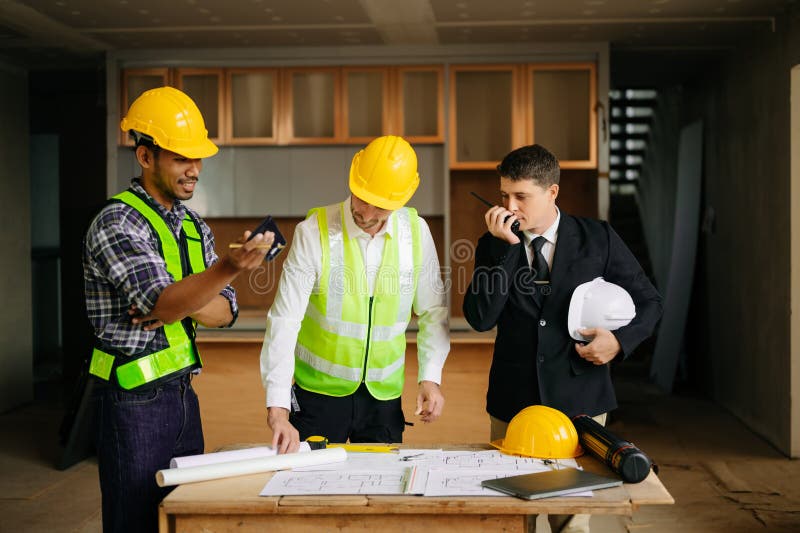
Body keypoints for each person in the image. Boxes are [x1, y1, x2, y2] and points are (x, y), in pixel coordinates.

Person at [83, 86, 272, 533]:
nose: (194, 170)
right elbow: (164, 303)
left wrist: (181, 302)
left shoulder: (193, 226)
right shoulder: (118, 222)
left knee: (182, 517)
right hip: (132, 402)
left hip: (184, 396)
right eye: (180, 158)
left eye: (198, 158)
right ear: (146, 157)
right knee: (136, 521)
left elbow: (225, 313)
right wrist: (221, 272)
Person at [462, 144, 662, 533]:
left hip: (580, 401)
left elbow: (650, 301)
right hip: (513, 402)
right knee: (513, 518)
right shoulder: (493, 242)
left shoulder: (598, 238)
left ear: (552, 192)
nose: (510, 205)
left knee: (571, 521)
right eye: (505, 195)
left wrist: (619, 342)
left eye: (521, 196)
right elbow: (480, 318)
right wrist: (504, 252)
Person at [261, 135, 450, 453]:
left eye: (381, 205)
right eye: (362, 197)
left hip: (384, 401)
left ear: (402, 200)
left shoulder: (416, 233)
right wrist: (278, 408)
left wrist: (430, 377)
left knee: (381, 496)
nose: (367, 211)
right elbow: (285, 319)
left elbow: (434, 312)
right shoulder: (314, 232)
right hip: (317, 398)